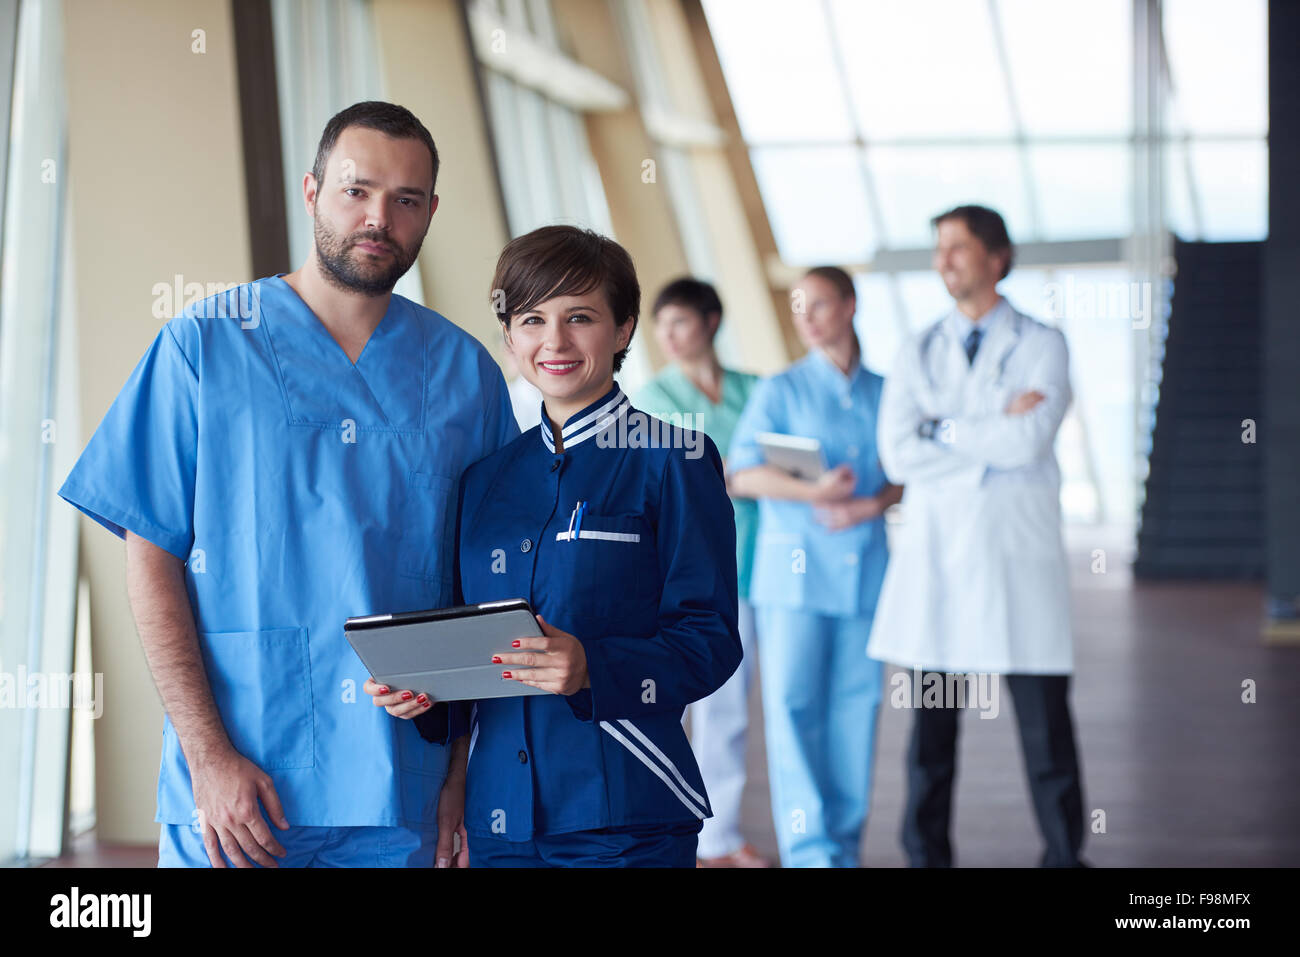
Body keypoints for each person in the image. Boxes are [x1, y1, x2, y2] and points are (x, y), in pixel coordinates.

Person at [57, 101, 519, 868]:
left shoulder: (467, 373)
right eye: (355, 190)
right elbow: (150, 555)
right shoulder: (202, 343)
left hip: (401, 786)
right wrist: (207, 757)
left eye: (406, 200)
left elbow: (494, 580)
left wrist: (461, 774)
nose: (379, 217)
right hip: (238, 790)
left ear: (430, 214)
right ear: (311, 191)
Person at [367, 226, 743, 867]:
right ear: (510, 335)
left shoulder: (673, 461)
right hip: (500, 819)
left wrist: (593, 665)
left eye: (581, 318)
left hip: (624, 809)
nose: (555, 342)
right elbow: (474, 644)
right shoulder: (485, 480)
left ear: (623, 329)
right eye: (533, 319)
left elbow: (709, 641)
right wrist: (425, 693)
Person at [867, 204, 1087, 867]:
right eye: (938, 249)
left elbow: (1028, 440)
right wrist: (988, 420)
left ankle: (1064, 856)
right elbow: (899, 455)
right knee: (932, 732)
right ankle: (925, 856)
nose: (944, 261)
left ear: (997, 257)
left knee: (1045, 727)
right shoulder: (918, 346)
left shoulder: (1042, 341)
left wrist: (945, 428)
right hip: (938, 558)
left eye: (958, 248)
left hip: (1015, 555)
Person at [728, 266, 902, 868]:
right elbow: (740, 473)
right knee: (794, 711)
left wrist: (872, 502)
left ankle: (845, 849)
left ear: (850, 306)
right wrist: (818, 491)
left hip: (865, 575)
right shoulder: (780, 390)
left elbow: (909, 470)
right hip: (795, 579)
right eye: (799, 306)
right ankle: (811, 854)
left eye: (820, 304)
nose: (806, 317)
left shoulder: (888, 390)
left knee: (858, 712)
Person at [633, 278, 770, 868]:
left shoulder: (757, 390)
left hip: (759, 565)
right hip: (683, 575)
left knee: (729, 713)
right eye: (660, 325)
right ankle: (658, 831)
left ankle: (720, 837)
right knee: (667, 708)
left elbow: (777, 462)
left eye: (680, 322)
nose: (667, 336)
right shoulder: (650, 398)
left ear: (711, 322)